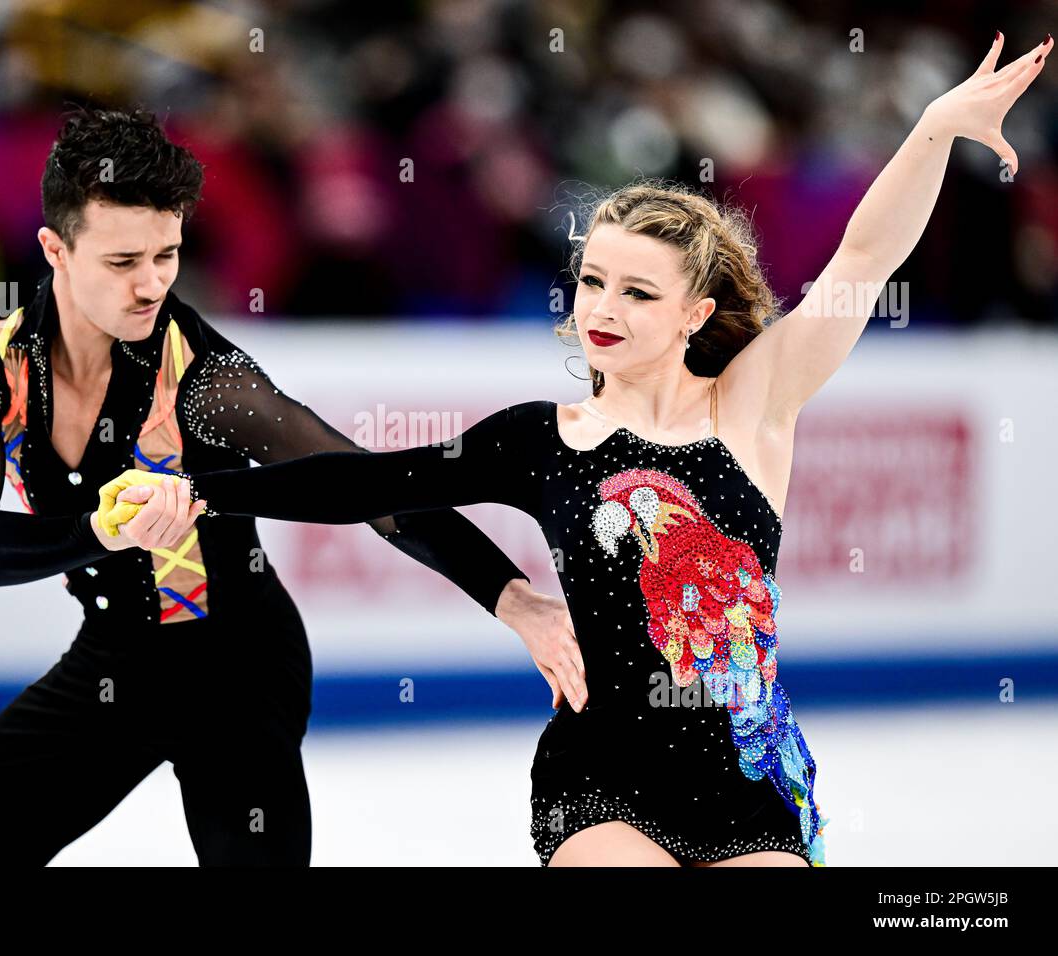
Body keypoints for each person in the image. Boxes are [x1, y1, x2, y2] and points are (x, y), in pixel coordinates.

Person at [99, 34, 1051, 865]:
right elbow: (373, 482)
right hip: (602, 778)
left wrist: (933, 130)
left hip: (751, 776)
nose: (601, 309)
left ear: (696, 314)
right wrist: (202, 489)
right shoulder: (538, 440)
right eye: (593, 282)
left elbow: (860, 262)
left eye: (638, 294)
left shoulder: (754, 406)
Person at [0, 105, 579, 867]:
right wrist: (98, 532)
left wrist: (507, 593)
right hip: (114, 664)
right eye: (123, 262)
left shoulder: (203, 376)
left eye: (169, 255)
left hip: (242, 671)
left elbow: (362, 482)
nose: (151, 285)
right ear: (55, 251)